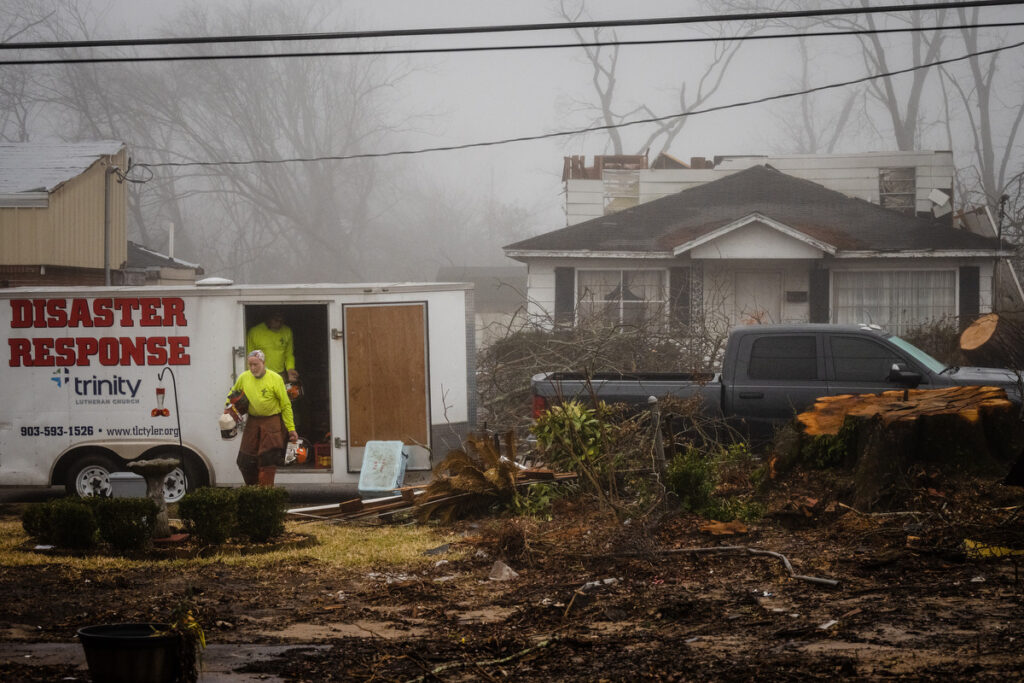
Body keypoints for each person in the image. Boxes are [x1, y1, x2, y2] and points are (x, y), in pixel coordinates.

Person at [225, 349, 297, 486]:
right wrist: (227, 413)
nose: (252, 368)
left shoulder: (275, 378)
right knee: (244, 461)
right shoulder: (244, 377)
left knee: (268, 461)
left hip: (272, 422)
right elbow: (232, 395)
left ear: (263, 363)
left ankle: (265, 495)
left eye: (255, 364)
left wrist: (291, 429)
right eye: (250, 365)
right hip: (252, 421)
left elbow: (286, 405)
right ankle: (253, 491)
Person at [246, 310, 298, 382]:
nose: (279, 323)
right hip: (261, 374)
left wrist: (290, 369)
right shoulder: (254, 332)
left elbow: (289, 354)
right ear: (268, 318)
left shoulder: (287, 331)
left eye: (281, 321)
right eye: (276, 320)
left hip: (280, 374)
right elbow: (250, 356)